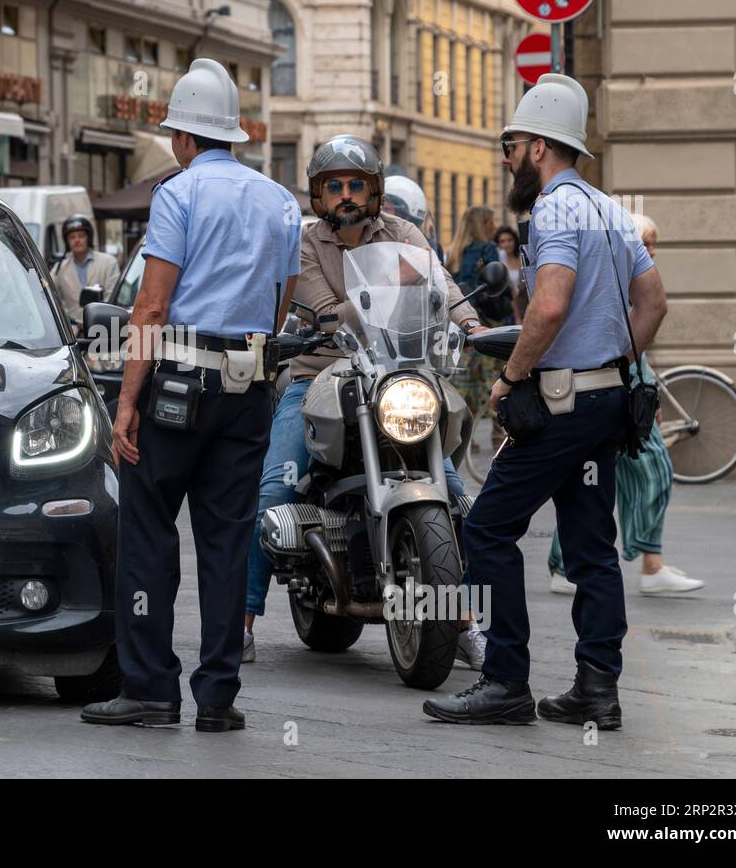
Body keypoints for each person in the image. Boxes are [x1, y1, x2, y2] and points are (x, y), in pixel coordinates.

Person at [422, 73, 669, 729]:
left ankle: (504, 682)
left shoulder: (556, 209)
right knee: (591, 548)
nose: (506, 158)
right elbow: (654, 305)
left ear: (538, 147)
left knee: (486, 528)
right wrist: (615, 364)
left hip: (560, 403)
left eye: (511, 145)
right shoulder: (611, 209)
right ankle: (597, 690)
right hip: (608, 402)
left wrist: (512, 379)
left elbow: (551, 304)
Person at [80, 58, 301, 733]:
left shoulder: (177, 196)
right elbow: (279, 303)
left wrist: (125, 408)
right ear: (231, 134)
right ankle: (217, 695)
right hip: (247, 386)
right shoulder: (279, 200)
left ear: (181, 139)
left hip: (178, 382)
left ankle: (149, 688)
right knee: (226, 540)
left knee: (149, 535)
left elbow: (149, 310)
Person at [243, 146, 489, 670]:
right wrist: (390, 286)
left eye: (356, 185)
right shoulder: (307, 244)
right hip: (321, 373)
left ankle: (461, 616)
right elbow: (329, 314)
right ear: (319, 194)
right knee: (274, 488)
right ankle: (239, 621)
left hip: (400, 372)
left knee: (457, 490)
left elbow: (443, 287)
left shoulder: (404, 235)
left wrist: (474, 328)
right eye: (335, 186)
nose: (347, 195)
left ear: (375, 190)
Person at [548, 213, 702, 596]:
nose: (650, 252)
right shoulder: (611, 283)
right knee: (643, 474)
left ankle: (577, 565)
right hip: (611, 397)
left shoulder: (624, 281)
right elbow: (622, 349)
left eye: (653, 245)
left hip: (621, 397)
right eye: (644, 243)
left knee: (592, 482)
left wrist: (648, 396)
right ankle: (645, 565)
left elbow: (637, 352)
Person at [447, 206, 511, 422]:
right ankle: (499, 426)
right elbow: (502, 289)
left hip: (459, 323)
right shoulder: (488, 249)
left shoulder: (454, 252)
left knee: (463, 377)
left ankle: (464, 430)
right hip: (485, 322)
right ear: (482, 224)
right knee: (491, 376)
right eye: (490, 221)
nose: (494, 226)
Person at [49, 214, 120, 326]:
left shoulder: (109, 263)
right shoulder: (59, 268)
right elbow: (48, 294)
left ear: (89, 237)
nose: (77, 240)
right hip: (73, 332)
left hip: (104, 329)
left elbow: (113, 297)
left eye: (81, 236)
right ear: (66, 241)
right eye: (72, 237)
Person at [494, 225, 526, 323]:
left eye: (509, 240)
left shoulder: (523, 256)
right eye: (502, 241)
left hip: (526, 304)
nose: (507, 244)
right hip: (510, 311)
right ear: (498, 244)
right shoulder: (499, 260)